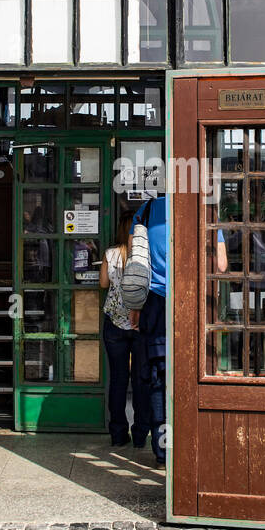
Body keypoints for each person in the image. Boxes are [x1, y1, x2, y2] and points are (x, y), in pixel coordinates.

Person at [100, 212, 147, 448]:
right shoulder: (143, 256)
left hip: (115, 323)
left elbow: (103, 284)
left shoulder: (111, 253)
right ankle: (140, 434)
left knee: (118, 379)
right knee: (140, 380)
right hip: (140, 324)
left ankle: (118, 433)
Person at [130, 195, 168, 465]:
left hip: (154, 304)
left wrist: (136, 306)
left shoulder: (146, 210)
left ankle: (162, 450)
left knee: (156, 379)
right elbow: (221, 265)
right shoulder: (204, 208)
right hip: (193, 303)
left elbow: (137, 264)